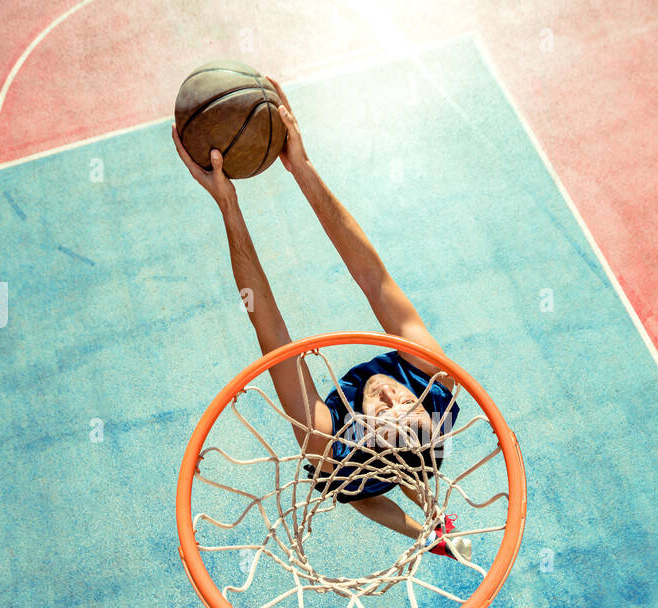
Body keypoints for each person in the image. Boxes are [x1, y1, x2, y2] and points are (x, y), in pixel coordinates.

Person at [172, 77, 471, 561]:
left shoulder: (330, 444)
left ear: (361, 431)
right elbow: (373, 277)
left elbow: (271, 332)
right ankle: (431, 515)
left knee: (359, 494)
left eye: (383, 415)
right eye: (405, 406)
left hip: (349, 466)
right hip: (412, 445)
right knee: (413, 466)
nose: (389, 396)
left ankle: (422, 528)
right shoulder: (435, 385)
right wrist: (302, 168)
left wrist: (228, 205)